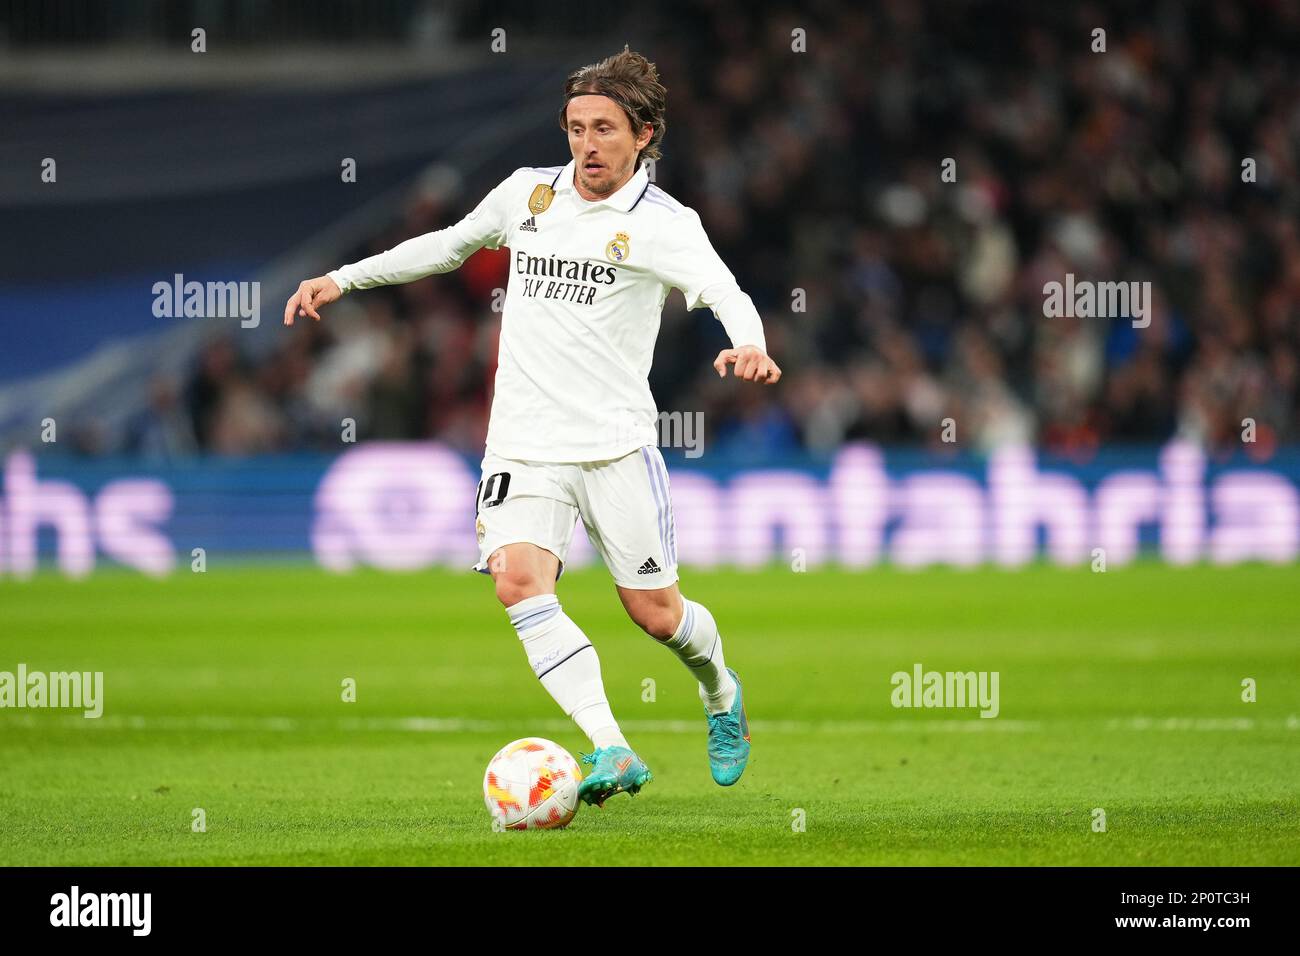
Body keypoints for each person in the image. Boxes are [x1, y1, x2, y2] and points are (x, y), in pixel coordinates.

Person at [284, 47, 781, 808]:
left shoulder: (663, 224)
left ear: (644, 135)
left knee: (655, 615)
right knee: (519, 583)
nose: (587, 144)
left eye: (605, 129)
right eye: (577, 127)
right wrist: (343, 278)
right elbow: (447, 245)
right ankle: (610, 745)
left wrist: (749, 343)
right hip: (522, 442)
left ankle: (720, 692)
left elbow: (722, 288)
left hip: (615, 446)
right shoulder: (528, 195)